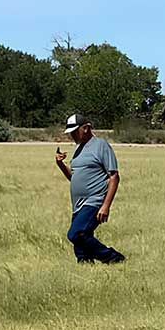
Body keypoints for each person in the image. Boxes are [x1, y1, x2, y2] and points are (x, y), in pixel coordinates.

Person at [55, 113, 125, 264]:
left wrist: (106, 206)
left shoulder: (101, 146)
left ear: (85, 128)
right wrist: (61, 165)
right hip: (77, 204)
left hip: (94, 201)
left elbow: (114, 177)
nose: (72, 136)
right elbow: (73, 178)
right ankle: (85, 265)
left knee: (76, 233)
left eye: (74, 131)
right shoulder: (79, 149)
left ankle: (113, 257)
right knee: (81, 243)